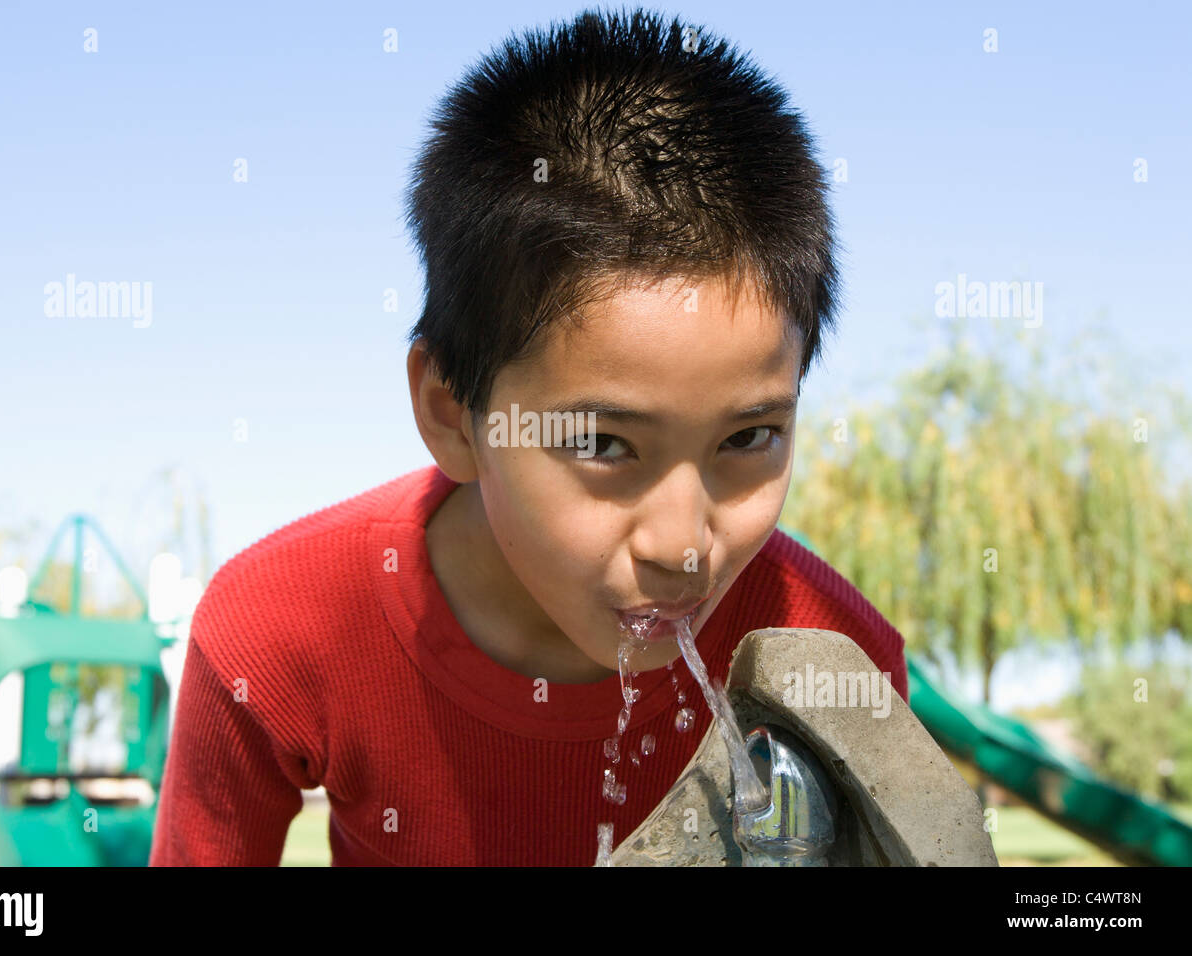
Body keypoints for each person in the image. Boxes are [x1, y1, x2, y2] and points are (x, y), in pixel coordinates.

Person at [149, 7, 908, 867]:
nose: (683, 547)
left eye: (749, 438)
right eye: (604, 445)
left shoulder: (831, 668)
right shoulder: (281, 626)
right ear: (450, 412)